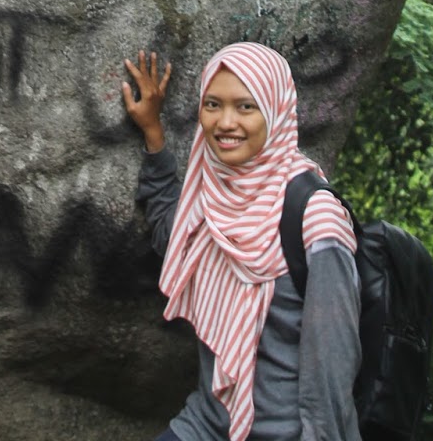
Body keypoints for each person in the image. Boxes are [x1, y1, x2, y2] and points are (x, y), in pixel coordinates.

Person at [122, 41, 362, 441]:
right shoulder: (214, 191)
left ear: (275, 111)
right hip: (208, 424)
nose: (225, 122)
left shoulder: (316, 219)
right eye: (213, 105)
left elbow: (332, 367)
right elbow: (171, 237)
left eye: (245, 107)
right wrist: (153, 131)